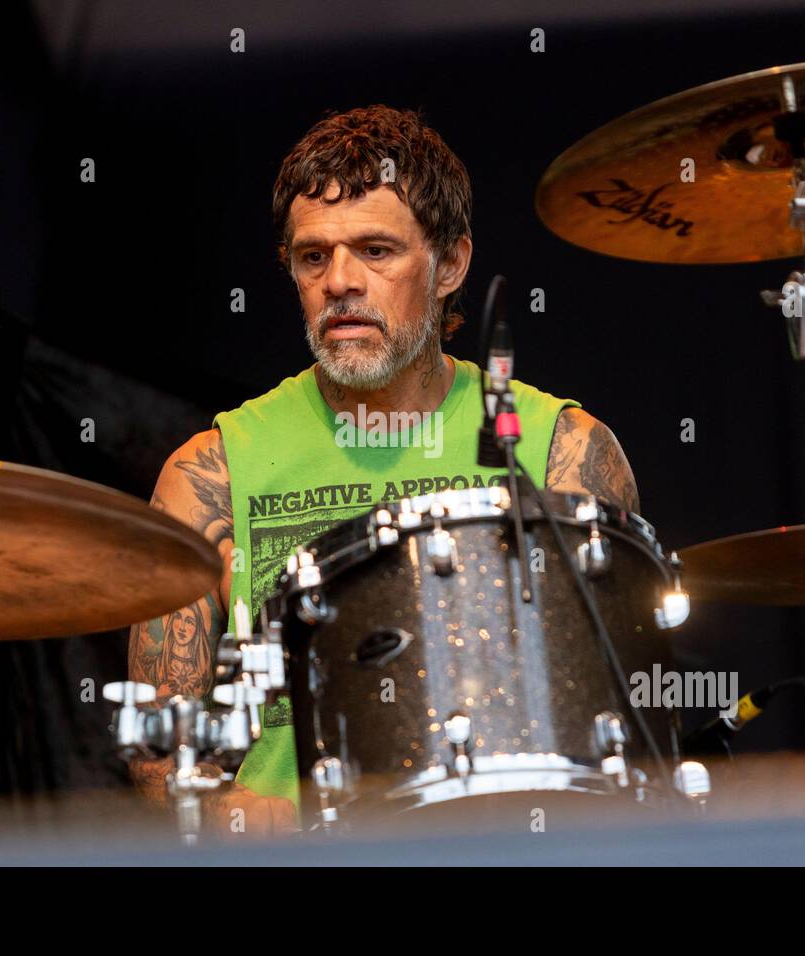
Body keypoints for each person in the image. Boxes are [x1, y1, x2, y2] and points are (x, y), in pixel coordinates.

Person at [128, 104, 639, 836]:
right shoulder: (210, 474)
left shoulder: (564, 450)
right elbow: (154, 743)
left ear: (450, 264)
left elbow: (622, 729)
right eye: (313, 257)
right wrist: (227, 811)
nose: (340, 281)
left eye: (375, 250)